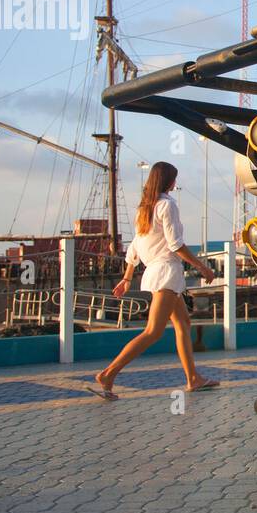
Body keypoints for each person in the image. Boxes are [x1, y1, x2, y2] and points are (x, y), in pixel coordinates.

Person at [90, 161, 218, 399]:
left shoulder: (145, 208)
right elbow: (175, 244)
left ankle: (193, 379)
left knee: (183, 325)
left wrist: (128, 277)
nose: (176, 183)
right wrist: (202, 267)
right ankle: (109, 373)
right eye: (174, 178)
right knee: (153, 331)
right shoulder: (167, 205)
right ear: (168, 181)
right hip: (166, 272)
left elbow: (136, 246)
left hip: (158, 272)